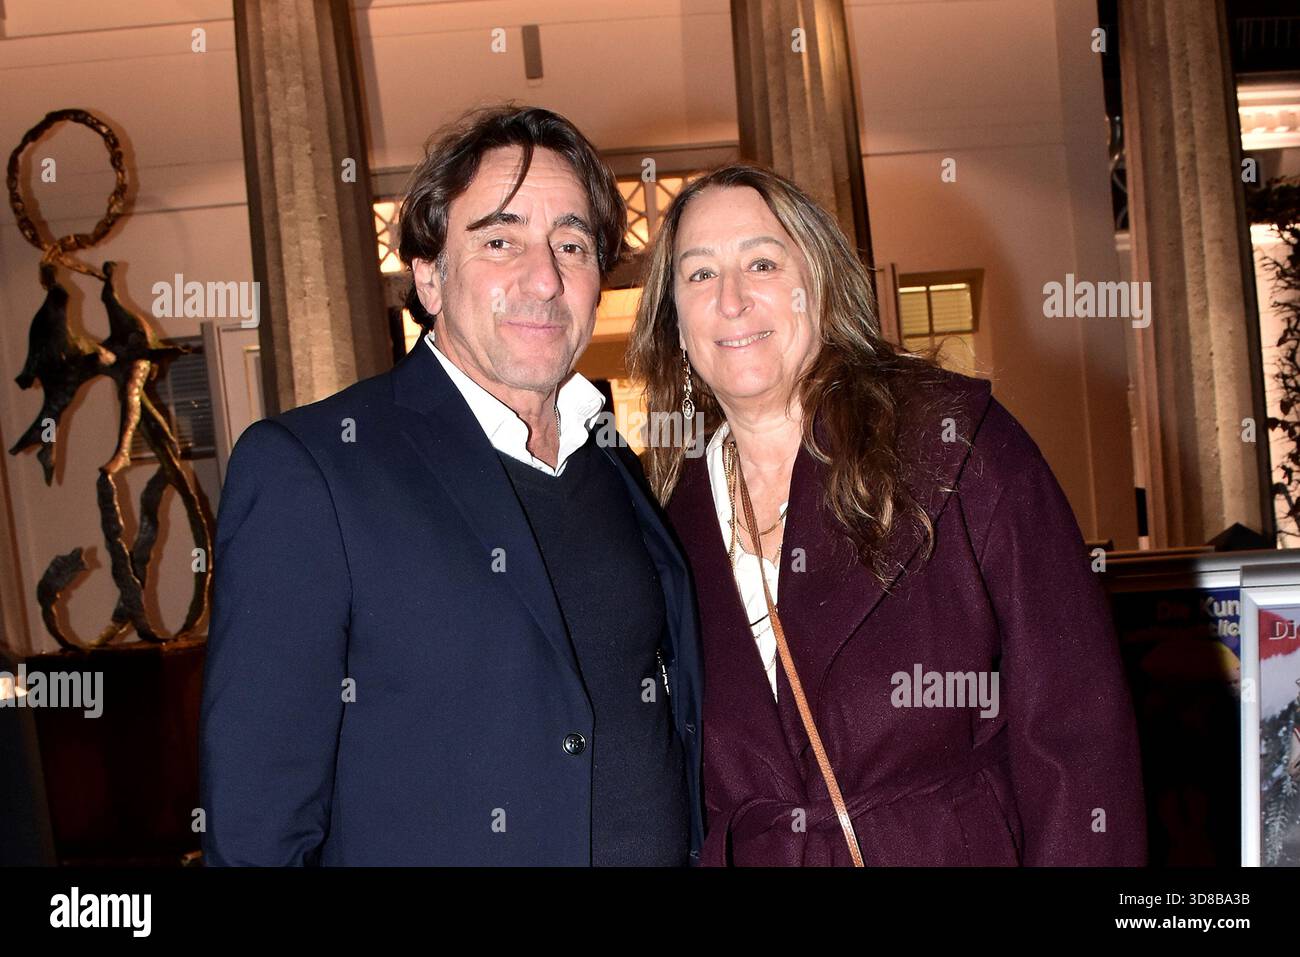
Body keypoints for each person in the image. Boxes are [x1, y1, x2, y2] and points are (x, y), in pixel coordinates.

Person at [200, 105, 704, 866]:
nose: (544, 276)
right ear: (429, 276)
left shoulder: (609, 457)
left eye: (571, 242)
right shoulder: (313, 469)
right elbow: (255, 828)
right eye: (500, 240)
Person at [627, 163, 1147, 866]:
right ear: (677, 326)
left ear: (820, 284)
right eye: (698, 275)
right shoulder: (658, 520)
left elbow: (1077, 731)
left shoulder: (953, 442)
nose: (732, 298)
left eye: (762, 261)